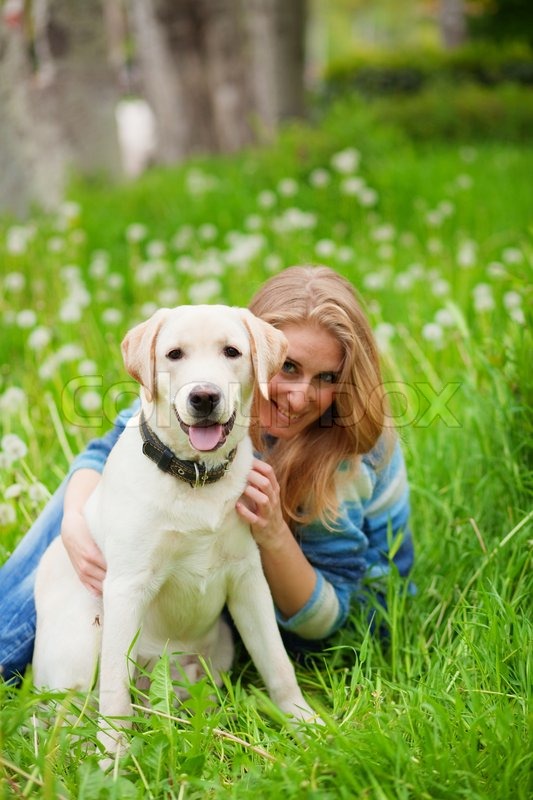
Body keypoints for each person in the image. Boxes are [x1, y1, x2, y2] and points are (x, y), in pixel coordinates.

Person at [0, 265, 413, 683]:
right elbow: (104, 453)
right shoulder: (206, 393)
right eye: (288, 367)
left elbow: (328, 620)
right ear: (257, 353)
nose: (300, 395)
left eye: (326, 378)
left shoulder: (351, 451)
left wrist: (271, 532)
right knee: (103, 494)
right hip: (204, 591)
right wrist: (73, 521)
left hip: (329, 624)